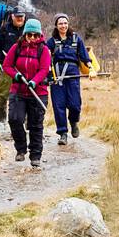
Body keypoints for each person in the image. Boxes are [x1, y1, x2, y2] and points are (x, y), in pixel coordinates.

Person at [2, 17, 51, 169]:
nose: (32, 38)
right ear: (25, 34)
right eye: (29, 35)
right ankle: (20, 148)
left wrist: (34, 81)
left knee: (36, 125)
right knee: (14, 119)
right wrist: (16, 76)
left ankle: (36, 155)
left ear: (39, 35)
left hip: (38, 92)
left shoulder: (44, 50)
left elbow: (44, 69)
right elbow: (7, 65)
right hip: (18, 91)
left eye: (35, 35)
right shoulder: (16, 48)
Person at [46, 12, 90, 145]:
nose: (63, 25)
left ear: (68, 24)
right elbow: (46, 59)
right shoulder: (51, 41)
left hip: (73, 76)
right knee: (58, 105)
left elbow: (84, 56)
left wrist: (91, 68)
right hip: (57, 77)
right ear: (56, 25)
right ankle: (63, 133)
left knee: (75, 105)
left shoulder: (76, 39)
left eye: (65, 23)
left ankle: (74, 122)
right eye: (60, 23)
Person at [0, 1, 27, 135]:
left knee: (24, 95)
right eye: (17, 16)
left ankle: (22, 123)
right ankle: (2, 122)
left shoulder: (28, 30)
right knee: (4, 95)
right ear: (12, 16)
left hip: (24, 68)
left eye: (22, 16)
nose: (19, 19)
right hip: (7, 67)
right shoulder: (4, 29)